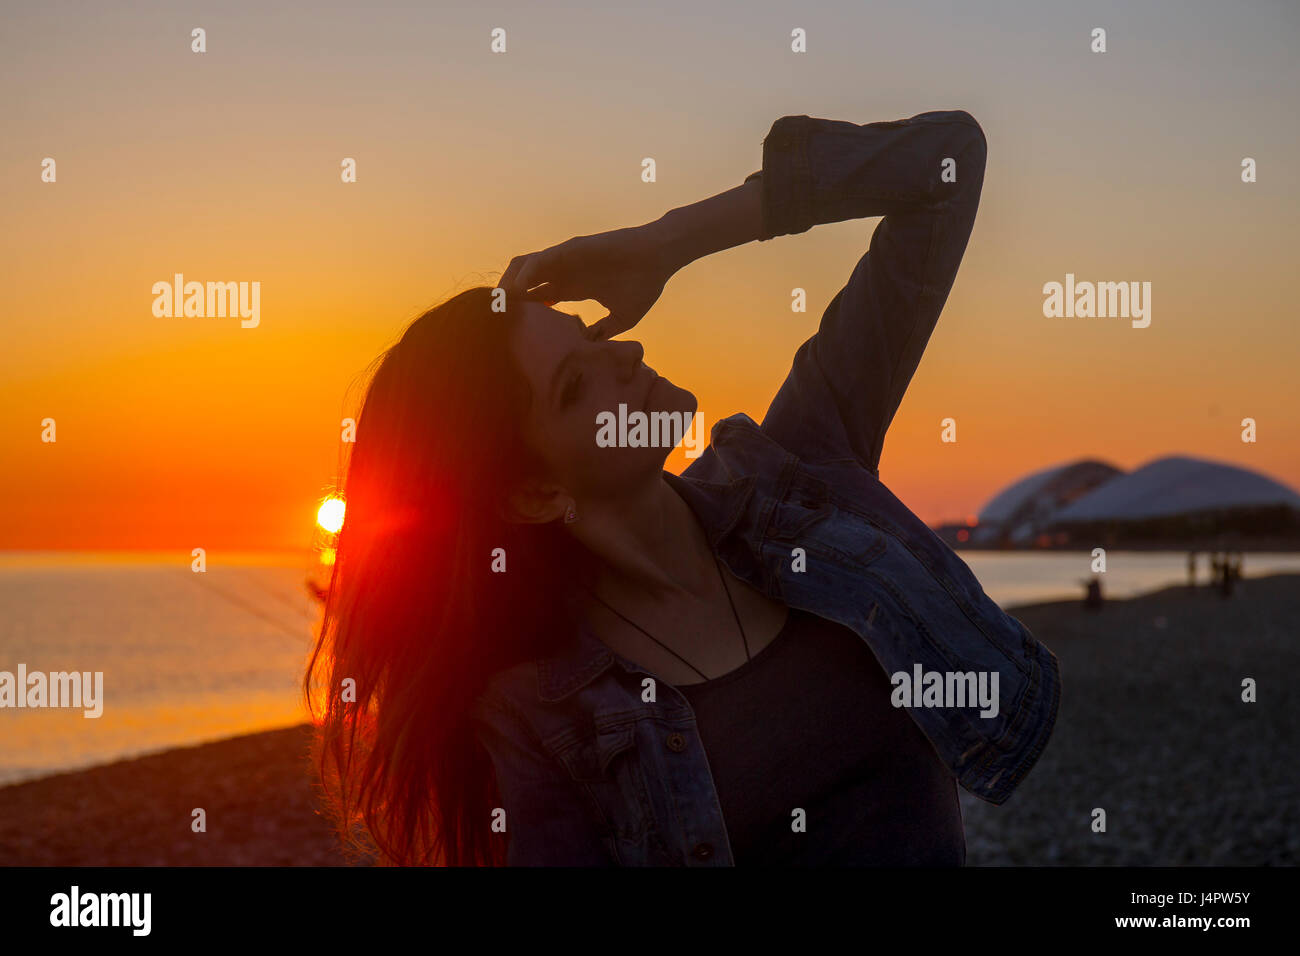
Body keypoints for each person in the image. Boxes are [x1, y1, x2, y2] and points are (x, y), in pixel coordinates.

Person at [304, 109, 1061, 866]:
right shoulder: (539, 713)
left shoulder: (797, 474)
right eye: (575, 386)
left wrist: (666, 242)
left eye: (588, 336)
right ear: (533, 494)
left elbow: (945, 164)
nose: (626, 352)